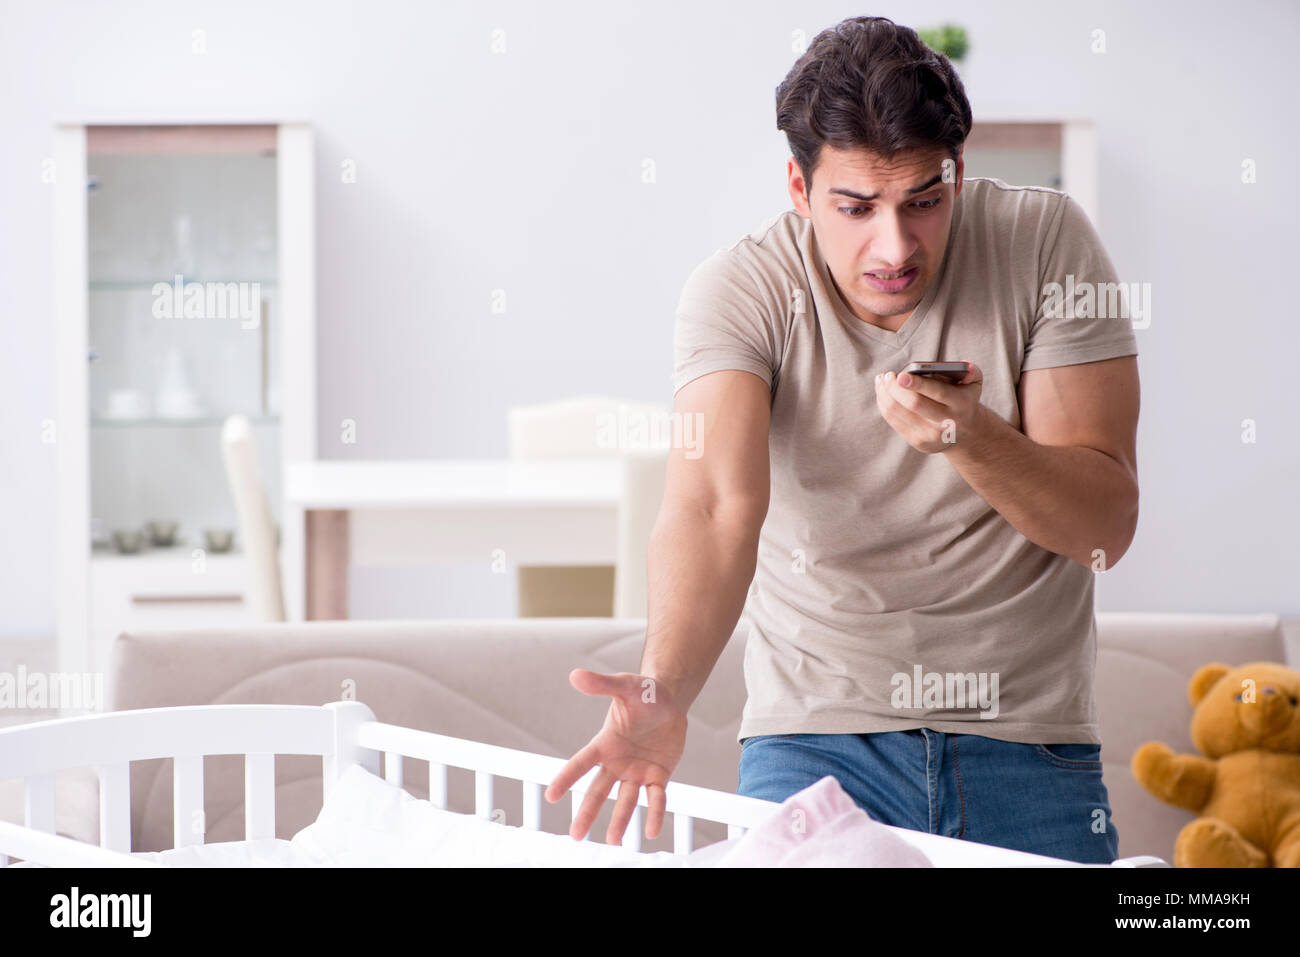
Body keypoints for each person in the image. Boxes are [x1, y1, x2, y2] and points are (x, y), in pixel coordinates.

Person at [545, 15, 1140, 864]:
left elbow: (1103, 529)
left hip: (1030, 745)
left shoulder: (1046, 244)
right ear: (799, 186)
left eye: (924, 203)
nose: (894, 247)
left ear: (958, 173)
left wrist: (967, 437)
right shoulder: (739, 290)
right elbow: (715, 507)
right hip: (815, 744)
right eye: (856, 208)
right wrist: (665, 688)